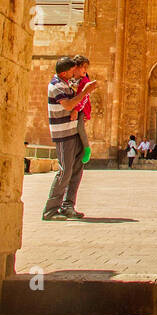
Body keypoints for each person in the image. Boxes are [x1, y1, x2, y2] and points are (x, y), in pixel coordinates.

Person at [43, 56, 97, 220]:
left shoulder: (67, 84)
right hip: (63, 133)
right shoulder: (56, 85)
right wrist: (85, 92)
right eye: (73, 70)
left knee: (76, 169)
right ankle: (51, 210)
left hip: (73, 132)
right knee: (65, 170)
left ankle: (68, 206)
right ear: (65, 72)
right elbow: (68, 105)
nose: (77, 72)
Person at [71, 55, 96, 164]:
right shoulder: (77, 79)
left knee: (80, 127)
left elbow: (84, 97)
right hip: (78, 107)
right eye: (83, 67)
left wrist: (76, 109)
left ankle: (87, 148)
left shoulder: (85, 80)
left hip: (82, 108)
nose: (85, 70)